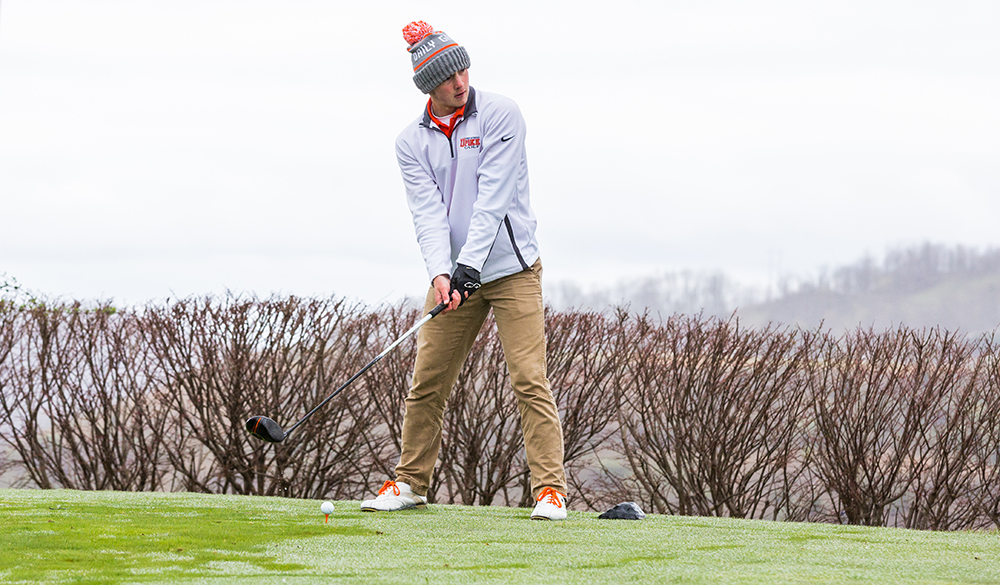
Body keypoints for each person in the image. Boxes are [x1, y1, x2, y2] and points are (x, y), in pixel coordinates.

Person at [360, 21, 568, 521]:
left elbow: (493, 199)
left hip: (513, 269)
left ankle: (550, 491)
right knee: (427, 381)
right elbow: (427, 214)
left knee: (528, 378)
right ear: (427, 86)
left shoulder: (501, 113)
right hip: (454, 277)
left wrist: (469, 266)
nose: (460, 82)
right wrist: (441, 273)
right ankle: (410, 483)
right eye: (447, 77)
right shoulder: (410, 142)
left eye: (462, 70)